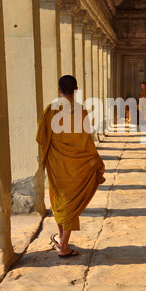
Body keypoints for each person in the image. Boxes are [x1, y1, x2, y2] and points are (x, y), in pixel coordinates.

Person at [36, 75, 105, 258]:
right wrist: (97, 161)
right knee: (71, 202)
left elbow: (40, 137)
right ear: (75, 90)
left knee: (60, 199)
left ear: (59, 90)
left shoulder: (50, 110)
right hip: (76, 165)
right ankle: (64, 247)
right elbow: (87, 141)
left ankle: (60, 238)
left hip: (56, 163)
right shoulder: (81, 111)